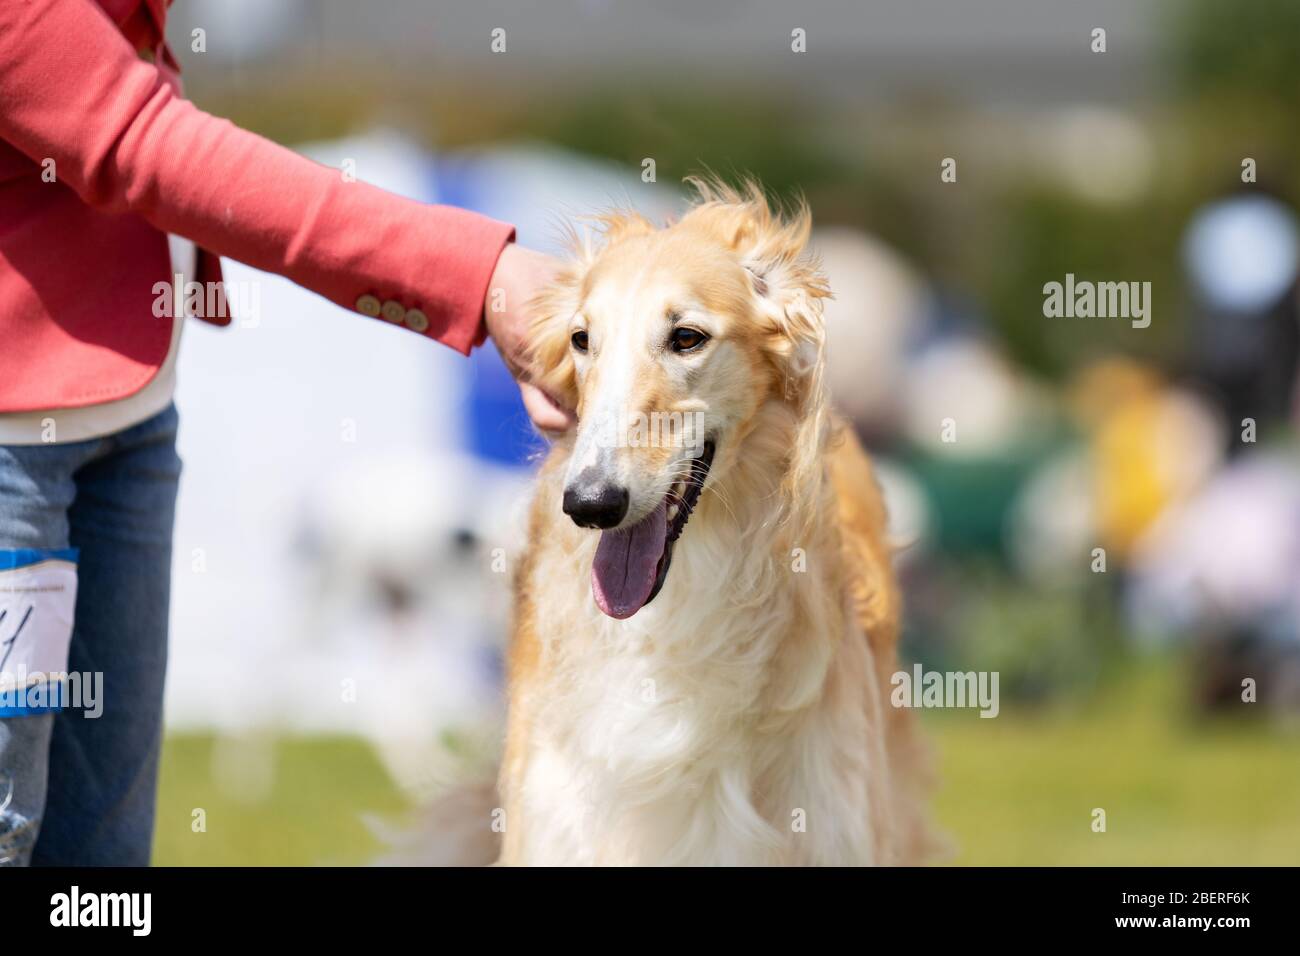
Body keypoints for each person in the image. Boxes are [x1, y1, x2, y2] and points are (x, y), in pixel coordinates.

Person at [0, 0, 571, 866]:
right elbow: (136, 134)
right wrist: (478, 274)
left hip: (129, 413)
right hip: (15, 443)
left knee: (100, 866)